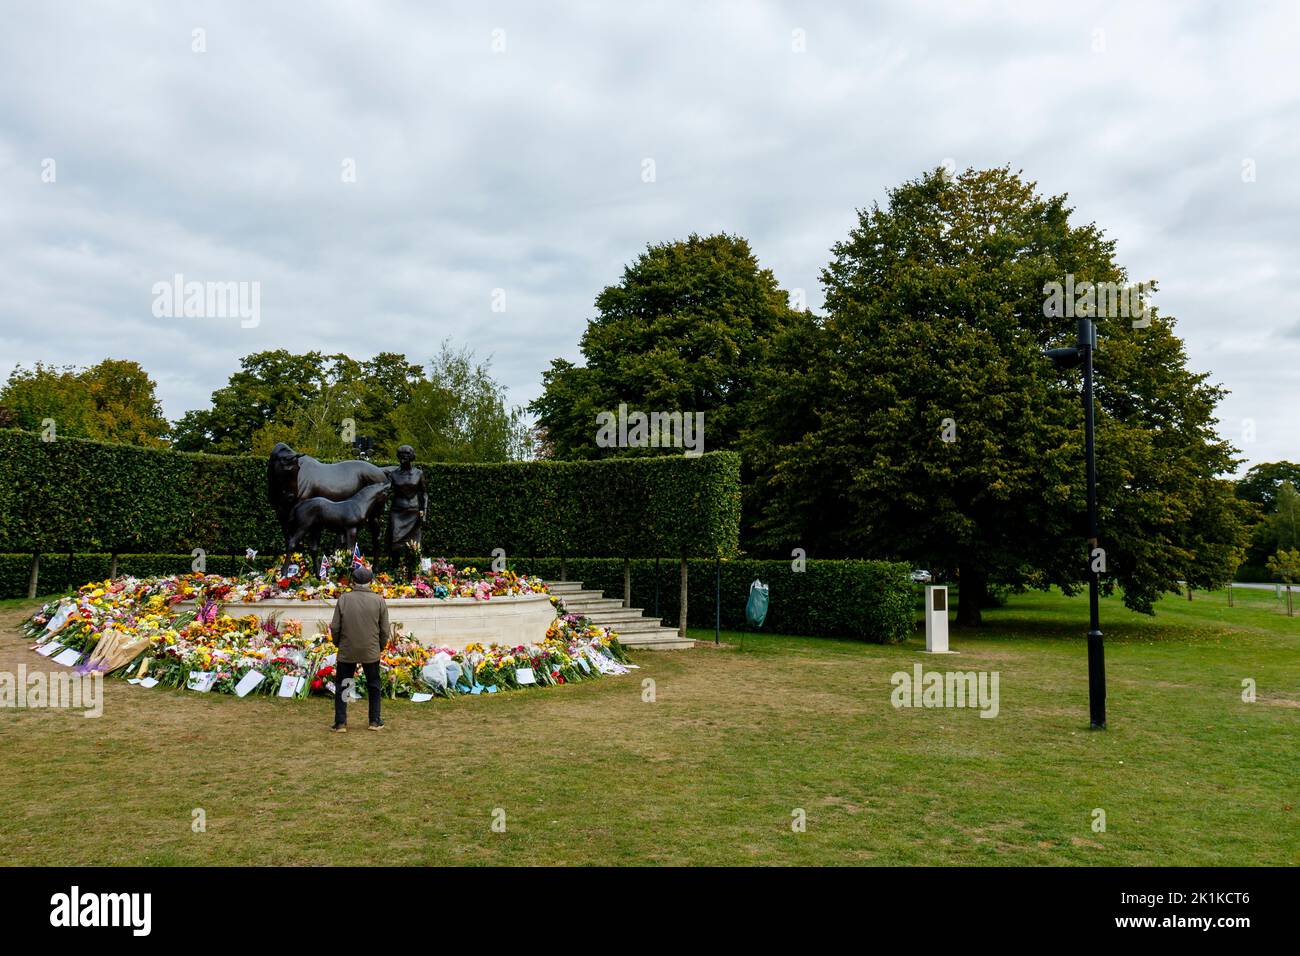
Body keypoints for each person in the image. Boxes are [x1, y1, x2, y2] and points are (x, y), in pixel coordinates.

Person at [328, 564, 390, 732]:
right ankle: (374, 720)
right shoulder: (378, 600)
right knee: (373, 684)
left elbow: (335, 627)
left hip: (347, 648)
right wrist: (380, 647)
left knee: (344, 684)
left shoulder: (344, 599)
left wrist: (337, 643)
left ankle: (341, 722)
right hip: (370, 649)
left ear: (353, 582)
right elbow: (385, 630)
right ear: (371, 582)